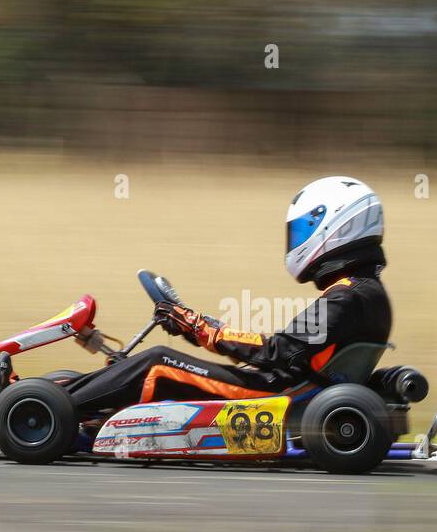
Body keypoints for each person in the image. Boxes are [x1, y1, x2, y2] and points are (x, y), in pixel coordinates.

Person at [65, 176, 392, 413]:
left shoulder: (347, 297)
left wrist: (202, 328)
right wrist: (199, 328)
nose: (296, 239)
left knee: (158, 362)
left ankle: (54, 409)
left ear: (339, 227)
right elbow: (289, 351)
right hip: (287, 387)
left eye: (303, 228)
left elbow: (277, 352)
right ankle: (63, 396)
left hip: (273, 394)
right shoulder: (364, 291)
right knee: (152, 362)